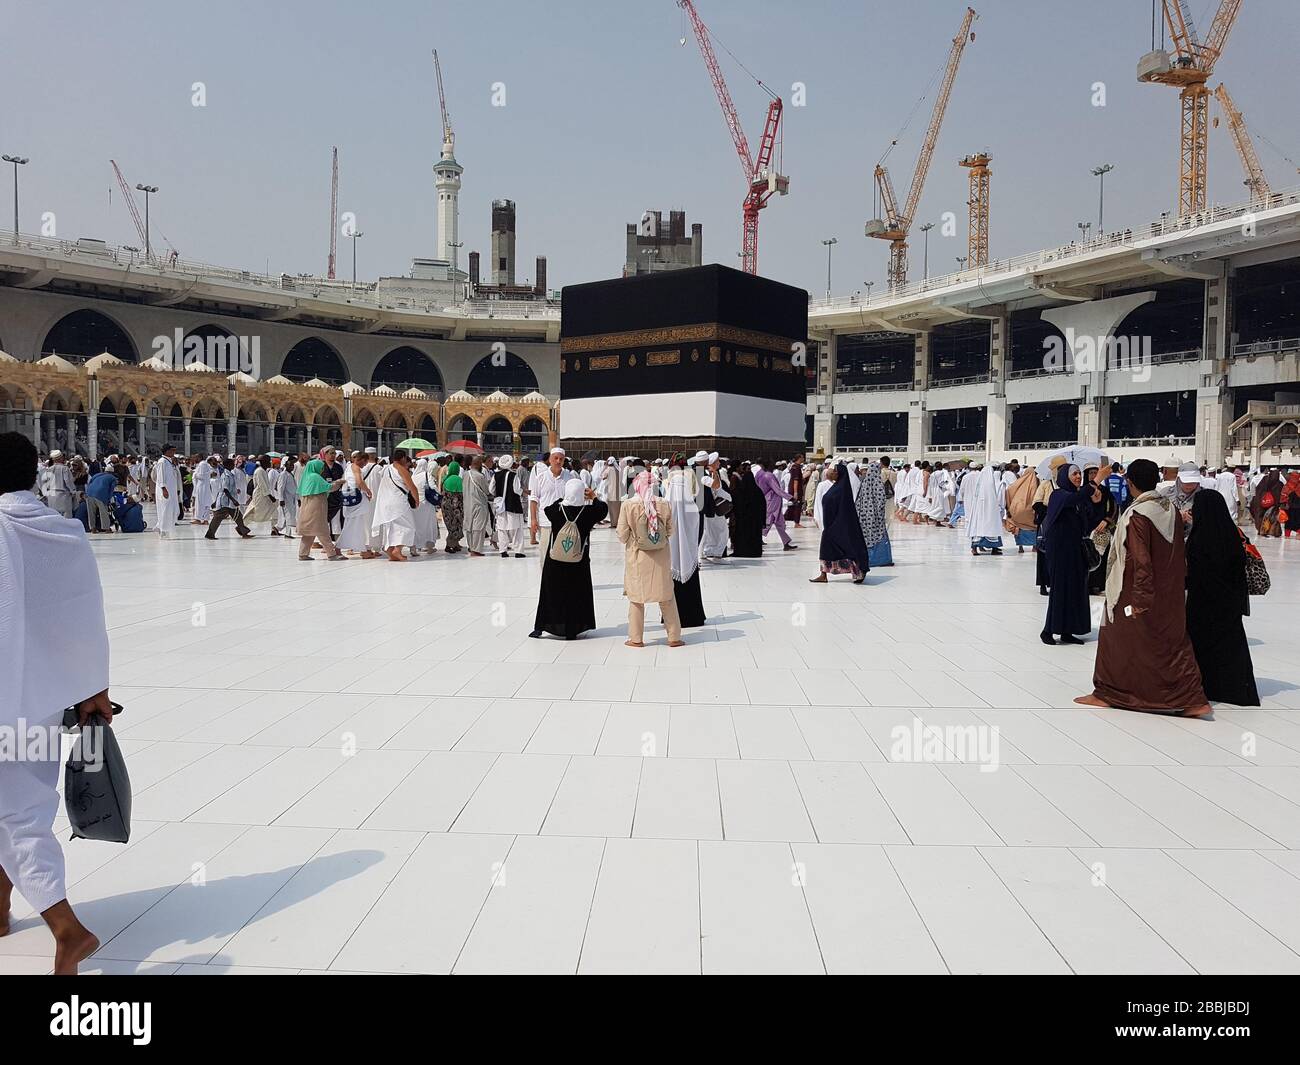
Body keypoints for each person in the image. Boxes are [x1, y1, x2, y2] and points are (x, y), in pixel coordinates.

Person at [0, 431, 109, 974]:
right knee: (19, 799)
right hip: (41, 697)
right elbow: (83, 614)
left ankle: (69, 931)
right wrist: (94, 689)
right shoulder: (62, 531)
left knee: (16, 814)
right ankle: (1, 906)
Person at [1076, 459, 1212, 719]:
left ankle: (1108, 693)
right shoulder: (1168, 507)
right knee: (1170, 643)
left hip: (1135, 591)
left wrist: (1139, 598)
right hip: (1168, 590)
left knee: (1115, 638)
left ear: (1130, 483)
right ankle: (1192, 698)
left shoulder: (1139, 515)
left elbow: (1141, 559)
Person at [1186, 489, 1260, 706]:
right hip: (1229, 603)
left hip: (1203, 603)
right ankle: (1234, 688)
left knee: (1203, 646)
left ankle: (1208, 686)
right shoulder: (1231, 534)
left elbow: (1198, 573)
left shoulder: (1199, 538)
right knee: (1230, 647)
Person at [531, 478, 607, 639]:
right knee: (575, 594)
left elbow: (548, 508)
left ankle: (540, 627)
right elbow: (603, 509)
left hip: (555, 560)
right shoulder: (588, 513)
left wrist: (563, 498)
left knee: (550, 593)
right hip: (578, 560)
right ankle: (571, 630)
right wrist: (593, 497)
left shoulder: (556, 511)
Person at [618, 470, 682, 648]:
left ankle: (636, 639)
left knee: (637, 599)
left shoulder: (628, 505)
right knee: (666, 596)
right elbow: (671, 530)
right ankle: (674, 637)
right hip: (661, 557)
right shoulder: (663, 504)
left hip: (637, 558)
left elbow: (622, 535)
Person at [1038, 464, 1101, 645]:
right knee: (1060, 589)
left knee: (1076, 590)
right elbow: (1072, 500)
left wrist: (1096, 505)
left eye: (1079, 474)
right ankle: (1048, 630)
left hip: (1076, 550)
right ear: (1065, 476)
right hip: (1060, 551)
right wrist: (1096, 482)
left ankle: (1069, 630)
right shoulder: (1058, 495)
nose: (1078, 477)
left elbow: (1088, 525)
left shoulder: (1078, 499)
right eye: (1074, 474)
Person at [809, 461, 870, 583]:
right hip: (832, 525)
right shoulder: (836, 487)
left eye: (835, 471)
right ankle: (823, 574)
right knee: (827, 549)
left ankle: (858, 572)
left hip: (839, 526)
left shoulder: (841, 490)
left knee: (846, 549)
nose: (832, 472)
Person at [664, 457, 706, 627]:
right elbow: (696, 528)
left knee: (671, 585)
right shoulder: (693, 509)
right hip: (689, 554)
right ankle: (693, 616)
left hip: (671, 553)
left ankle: (670, 617)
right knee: (691, 585)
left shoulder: (666, 505)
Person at [371, 451, 419, 561]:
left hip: (385, 502)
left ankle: (390, 550)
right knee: (408, 526)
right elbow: (412, 487)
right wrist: (416, 500)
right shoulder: (401, 469)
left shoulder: (386, 469)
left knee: (391, 527)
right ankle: (397, 550)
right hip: (398, 502)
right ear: (402, 458)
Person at [296, 457, 346, 561]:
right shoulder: (315, 477)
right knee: (323, 531)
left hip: (307, 508)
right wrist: (338, 483)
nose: (322, 470)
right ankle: (331, 554)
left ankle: (303, 554)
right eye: (321, 467)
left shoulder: (306, 477)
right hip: (316, 508)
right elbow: (330, 488)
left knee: (308, 532)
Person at [336, 451, 378, 558]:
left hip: (350, 499)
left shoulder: (348, 467)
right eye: (364, 462)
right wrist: (368, 491)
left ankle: (362, 550)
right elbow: (359, 482)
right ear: (361, 460)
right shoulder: (356, 468)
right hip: (356, 500)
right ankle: (339, 548)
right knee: (356, 525)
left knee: (355, 525)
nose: (365, 465)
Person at [204, 457, 255, 539]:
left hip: (229, 502)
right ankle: (210, 534)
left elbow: (225, 488)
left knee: (238, 517)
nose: (233, 465)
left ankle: (244, 533)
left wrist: (235, 491)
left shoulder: (230, 474)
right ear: (227, 465)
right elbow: (225, 490)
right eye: (231, 464)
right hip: (225, 502)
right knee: (217, 518)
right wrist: (233, 500)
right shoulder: (226, 476)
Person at [855, 461, 893, 567]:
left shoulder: (864, 482)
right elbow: (881, 500)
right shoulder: (877, 482)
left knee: (866, 536)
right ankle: (880, 559)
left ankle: (866, 558)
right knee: (878, 536)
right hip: (875, 516)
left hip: (864, 516)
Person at [753, 462, 795, 549]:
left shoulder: (758, 474)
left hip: (766, 499)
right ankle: (755, 539)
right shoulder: (768, 476)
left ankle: (786, 542)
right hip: (772, 501)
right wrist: (790, 498)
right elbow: (777, 489)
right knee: (769, 520)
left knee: (778, 522)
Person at [965, 464, 1006, 555]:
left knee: (977, 529)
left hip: (979, 513)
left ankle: (975, 549)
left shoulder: (979, 485)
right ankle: (994, 548)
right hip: (990, 513)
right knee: (992, 528)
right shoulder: (991, 485)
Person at [491, 454, 527, 557]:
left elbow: (491, 489)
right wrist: (523, 492)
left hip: (501, 506)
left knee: (502, 528)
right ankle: (518, 551)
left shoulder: (495, 475)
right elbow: (517, 489)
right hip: (513, 505)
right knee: (517, 529)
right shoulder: (513, 475)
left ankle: (503, 550)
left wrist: (499, 494)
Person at [729, 461, 766, 558]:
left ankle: (742, 551)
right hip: (756, 521)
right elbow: (763, 506)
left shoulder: (742, 492)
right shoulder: (758, 491)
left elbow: (737, 504)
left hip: (743, 520)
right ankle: (755, 551)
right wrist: (762, 520)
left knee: (743, 535)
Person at [1004, 466, 1040, 553]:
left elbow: (1009, 490)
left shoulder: (1019, 482)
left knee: (1018, 526)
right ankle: (1034, 546)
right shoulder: (1036, 482)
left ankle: (1020, 547)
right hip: (1031, 510)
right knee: (1034, 528)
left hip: (1018, 508)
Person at [463, 455, 494, 557]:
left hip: (467, 504)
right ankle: (476, 550)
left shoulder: (465, 474)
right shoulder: (479, 476)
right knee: (478, 527)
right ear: (477, 464)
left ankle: (471, 547)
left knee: (469, 526)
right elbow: (486, 490)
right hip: (479, 504)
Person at [244, 455, 280, 535]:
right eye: (268, 461)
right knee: (255, 511)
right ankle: (242, 526)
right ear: (264, 462)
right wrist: (270, 497)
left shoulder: (264, 471)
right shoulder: (259, 471)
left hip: (265, 494)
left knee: (274, 511)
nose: (270, 463)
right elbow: (262, 485)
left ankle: (274, 529)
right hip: (260, 495)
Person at [411, 457, 440, 555]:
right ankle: (429, 547)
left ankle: (413, 548)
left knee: (416, 526)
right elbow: (433, 487)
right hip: (427, 504)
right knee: (428, 526)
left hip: (416, 504)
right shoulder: (427, 475)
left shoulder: (413, 476)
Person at [153, 444, 182, 538]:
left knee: (173, 510)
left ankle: (161, 527)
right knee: (165, 510)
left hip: (171, 490)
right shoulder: (162, 462)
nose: (174, 452)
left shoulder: (169, 462)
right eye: (172, 450)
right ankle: (163, 531)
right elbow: (160, 476)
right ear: (167, 451)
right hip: (165, 490)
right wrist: (163, 488)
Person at [36, 450, 75, 518]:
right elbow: (67, 481)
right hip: (63, 496)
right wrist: (73, 491)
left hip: (52, 496)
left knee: (54, 516)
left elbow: (44, 483)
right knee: (66, 518)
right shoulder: (65, 468)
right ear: (60, 458)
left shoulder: (49, 469)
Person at [1249, 469, 1283, 536]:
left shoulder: (1263, 481)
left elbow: (1256, 492)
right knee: (1272, 517)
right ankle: (1272, 531)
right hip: (1272, 504)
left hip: (1261, 502)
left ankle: (1261, 530)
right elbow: (1279, 495)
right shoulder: (1279, 484)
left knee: (1261, 516)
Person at [84, 466, 118, 533]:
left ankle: (93, 528)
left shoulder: (96, 475)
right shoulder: (112, 478)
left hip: (89, 494)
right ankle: (107, 529)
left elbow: (90, 483)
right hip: (101, 495)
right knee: (104, 513)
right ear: (112, 472)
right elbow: (111, 490)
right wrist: (108, 500)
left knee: (91, 512)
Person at [441, 459, 464, 552]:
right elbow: (462, 493)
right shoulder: (458, 479)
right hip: (456, 506)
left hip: (446, 506)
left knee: (450, 525)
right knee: (457, 525)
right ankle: (449, 546)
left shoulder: (445, 479)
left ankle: (455, 544)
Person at [278, 455, 299, 537]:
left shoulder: (290, 474)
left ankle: (287, 532)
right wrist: (281, 499)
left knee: (290, 515)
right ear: (285, 465)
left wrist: (298, 498)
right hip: (286, 498)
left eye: (292, 465)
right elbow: (280, 487)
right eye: (290, 465)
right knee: (288, 515)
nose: (292, 467)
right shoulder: (283, 474)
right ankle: (288, 533)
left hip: (292, 498)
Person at [786, 455, 805, 527]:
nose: (803, 459)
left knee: (794, 505)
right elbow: (795, 480)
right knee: (798, 505)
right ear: (799, 458)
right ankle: (797, 523)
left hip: (792, 488)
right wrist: (796, 492)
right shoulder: (797, 467)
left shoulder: (793, 466)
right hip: (796, 489)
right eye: (802, 457)